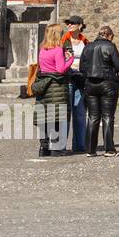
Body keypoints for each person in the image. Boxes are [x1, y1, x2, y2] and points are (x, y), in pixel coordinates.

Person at [80, 25, 119, 157]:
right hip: (107, 83)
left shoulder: (87, 46)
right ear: (110, 35)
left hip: (90, 84)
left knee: (93, 117)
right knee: (107, 116)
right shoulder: (110, 47)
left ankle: (90, 149)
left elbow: (82, 67)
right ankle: (109, 149)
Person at [33, 24, 74, 156]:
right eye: (61, 33)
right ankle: (56, 149)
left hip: (44, 86)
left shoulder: (42, 49)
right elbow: (61, 69)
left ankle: (43, 148)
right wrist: (70, 59)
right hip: (56, 86)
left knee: (44, 119)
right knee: (57, 118)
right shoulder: (57, 49)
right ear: (57, 34)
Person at [60, 15, 89, 153]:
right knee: (65, 113)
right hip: (67, 78)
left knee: (80, 113)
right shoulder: (63, 40)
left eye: (72, 23)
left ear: (80, 25)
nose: (69, 25)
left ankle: (80, 145)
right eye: (68, 23)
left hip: (81, 79)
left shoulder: (85, 42)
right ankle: (62, 146)